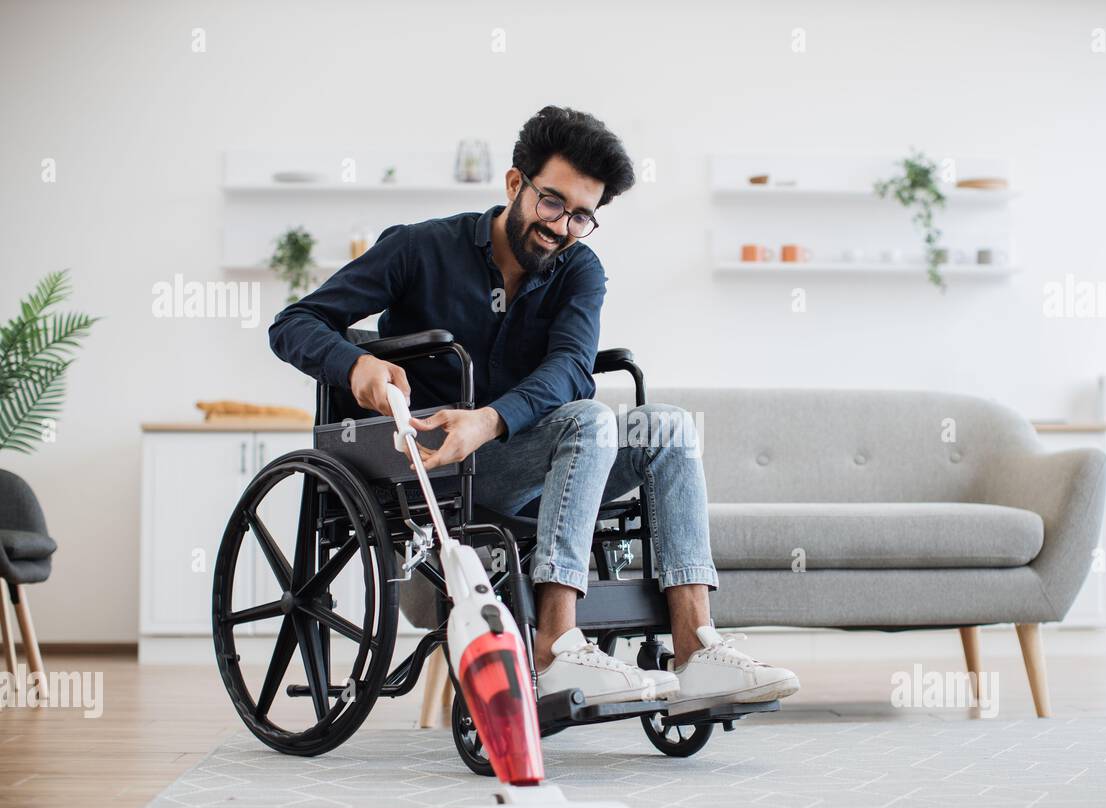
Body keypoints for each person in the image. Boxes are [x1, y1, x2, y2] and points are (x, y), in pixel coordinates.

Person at [269, 105, 798, 708]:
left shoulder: (579, 270)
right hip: (431, 464)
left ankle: (694, 649)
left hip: (528, 459)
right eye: (553, 203)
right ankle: (554, 647)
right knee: (589, 420)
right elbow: (294, 323)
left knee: (667, 426)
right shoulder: (420, 249)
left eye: (581, 216)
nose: (563, 226)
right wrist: (355, 363)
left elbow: (573, 367)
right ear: (515, 183)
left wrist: (490, 421)